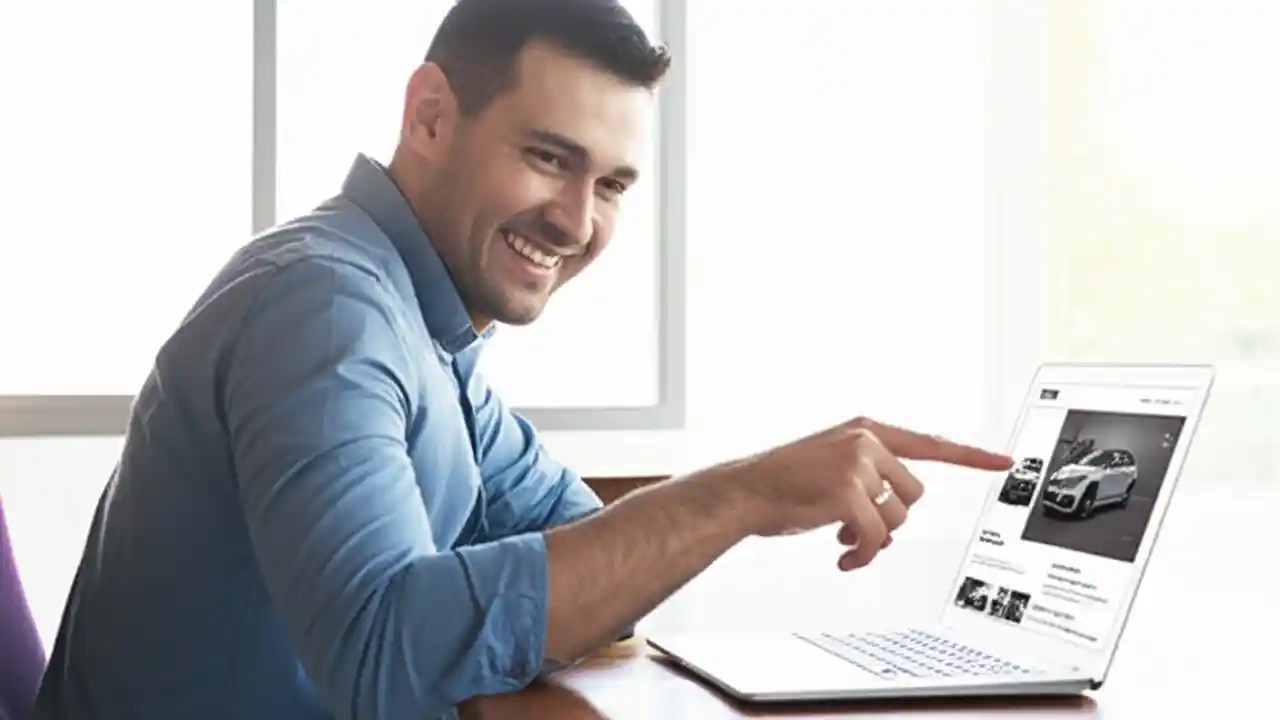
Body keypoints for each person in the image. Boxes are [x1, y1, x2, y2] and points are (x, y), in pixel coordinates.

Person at [31, 1, 1012, 718]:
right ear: (428, 116)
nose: (578, 223)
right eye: (549, 158)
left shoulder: (426, 330)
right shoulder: (326, 311)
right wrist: (744, 496)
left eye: (612, 185)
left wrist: (734, 499)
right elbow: (380, 654)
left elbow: (579, 542)